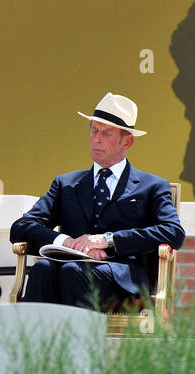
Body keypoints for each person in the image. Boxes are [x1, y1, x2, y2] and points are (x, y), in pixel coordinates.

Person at [11, 93, 185, 308]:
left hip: (121, 274)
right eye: (94, 130)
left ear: (127, 141)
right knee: (43, 269)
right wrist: (64, 241)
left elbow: (173, 232)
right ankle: (33, 341)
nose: (97, 138)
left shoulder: (152, 186)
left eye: (106, 133)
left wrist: (108, 240)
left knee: (72, 272)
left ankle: (83, 342)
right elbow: (20, 227)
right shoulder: (66, 184)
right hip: (71, 265)